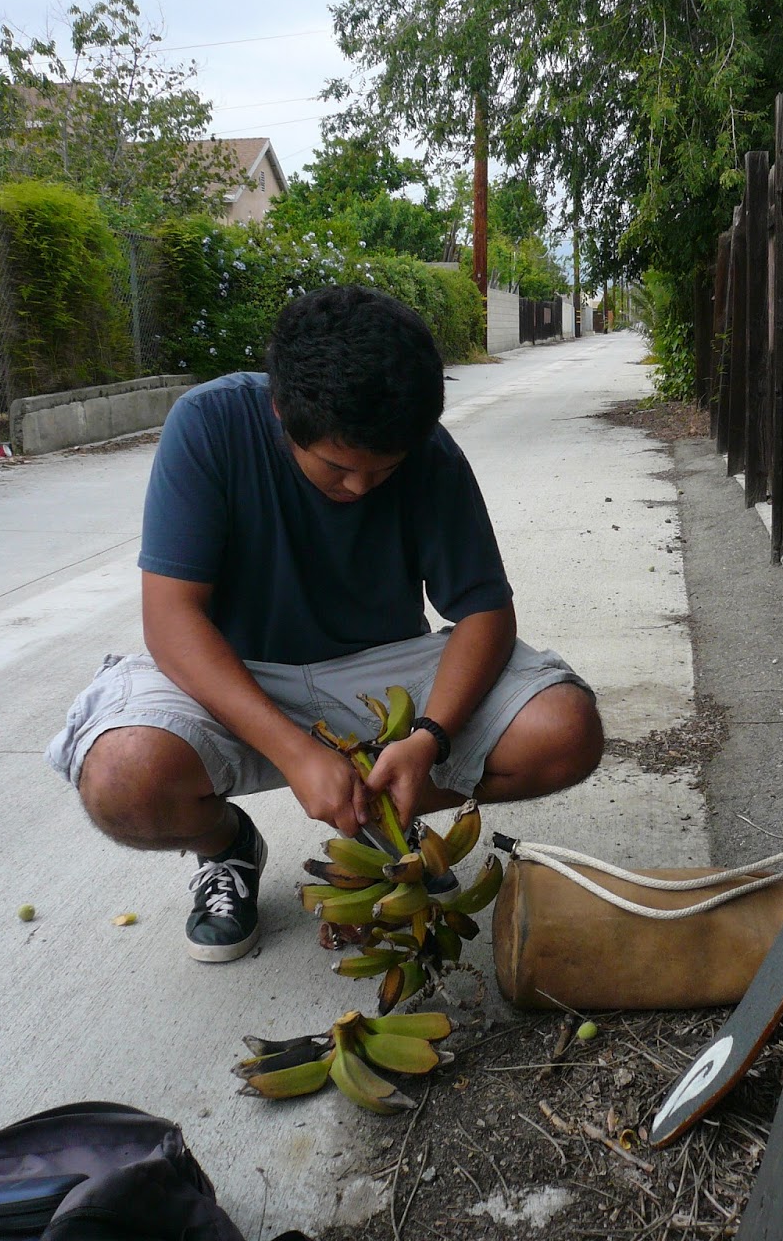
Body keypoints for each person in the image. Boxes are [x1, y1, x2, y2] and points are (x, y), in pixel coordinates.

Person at [47, 284, 603, 963]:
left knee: (565, 731)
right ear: (283, 411)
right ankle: (227, 848)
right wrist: (295, 751)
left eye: (384, 470)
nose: (362, 489)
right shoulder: (209, 425)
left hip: (380, 675)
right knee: (121, 779)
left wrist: (430, 737)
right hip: (236, 671)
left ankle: (382, 819)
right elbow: (170, 620)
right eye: (339, 467)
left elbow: (485, 612)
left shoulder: (428, 451)